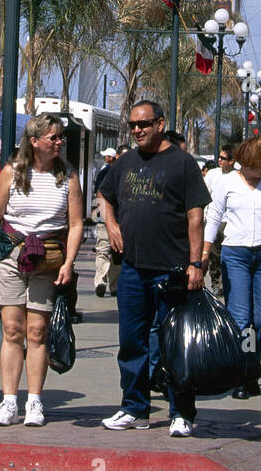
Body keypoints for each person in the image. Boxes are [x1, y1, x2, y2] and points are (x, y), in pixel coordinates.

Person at [99, 101, 209, 437]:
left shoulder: (183, 163)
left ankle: (181, 412)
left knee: (175, 343)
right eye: (132, 125)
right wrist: (111, 224)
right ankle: (135, 408)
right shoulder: (126, 162)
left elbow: (196, 217)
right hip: (133, 267)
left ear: (160, 123)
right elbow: (106, 195)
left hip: (172, 269)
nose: (137, 131)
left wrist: (195, 264)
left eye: (143, 124)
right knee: (132, 342)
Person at [0, 113, 83, 427]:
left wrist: (69, 262)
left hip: (48, 258)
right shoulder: (12, 172)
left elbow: (76, 224)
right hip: (12, 255)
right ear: (34, 141)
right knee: (12, 331)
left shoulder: (68, 176)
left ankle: (34, 402)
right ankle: (9, 401)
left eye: (60, 137)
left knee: (37, 331)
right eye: (53, 137)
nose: (59, 142)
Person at [203, 134, 261, 396]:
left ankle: (251, 364)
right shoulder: (228, 183)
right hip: (236, 254)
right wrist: (205, 249)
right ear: (246, 161)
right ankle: (244, 373)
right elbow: (214, 217)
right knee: (242, 320)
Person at [203, 145, 236, 298]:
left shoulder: (237, 176)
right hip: (214, 220)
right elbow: (204, 194)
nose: (219, 160)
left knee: (228, 255)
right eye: (219, 157)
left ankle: (228, 283)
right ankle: (216, 283)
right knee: (214, 255)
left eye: (223, 158)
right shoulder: (212, 174)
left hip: (230, 222)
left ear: (232, 161)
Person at [93, 147, 120, 298]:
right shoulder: (106, 173)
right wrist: (97, 216)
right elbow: (99, 195)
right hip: (105, 218)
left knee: (116, 252)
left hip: (120, 219)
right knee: (103, 249)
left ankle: (111, 284)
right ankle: (101, 282)